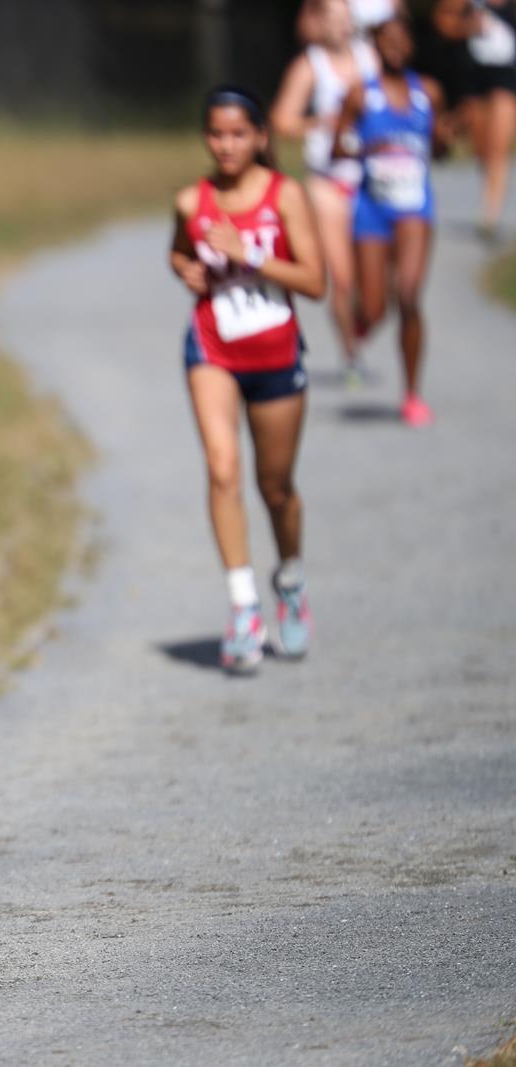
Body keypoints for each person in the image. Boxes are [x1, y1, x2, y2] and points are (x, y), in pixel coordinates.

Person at [169, 87, 327, 674]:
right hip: (212, 348)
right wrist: (185, 269)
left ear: (261, 136)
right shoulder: (193, 200)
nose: (226, 145)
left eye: (238, 134)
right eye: (215, 134)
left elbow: (316, 283)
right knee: (221, 469)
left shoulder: (287, 197)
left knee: (276, 486)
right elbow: (180, 254)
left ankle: (289, 577)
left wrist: (250, 256)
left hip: (276, 353)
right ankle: (243, 608)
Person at [335, 17, 452, 426]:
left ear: (412, 45)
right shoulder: (360, 95)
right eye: (387, 41)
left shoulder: (429, 93)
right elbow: (338, 146)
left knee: (408, 295)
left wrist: (444, 138)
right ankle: (363, 321)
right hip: (371, 207)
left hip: (415, 207)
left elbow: (440, 150)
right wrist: (366, 146)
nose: (396, 47)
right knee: (373, 306)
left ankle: (412, 394)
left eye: (402, 39)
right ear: (376, 47)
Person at [275, 0, 379, 382]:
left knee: (378, 279)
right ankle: (351, 355)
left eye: (344, 19)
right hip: (327, 181)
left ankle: (365, 321)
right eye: (331, 19)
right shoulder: (310, 65)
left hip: (371, 178)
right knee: (343, 277)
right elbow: (282, 120)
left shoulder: (373, 59)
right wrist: (320, 122)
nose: (338, 27)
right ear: (319, 23)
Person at [429, 0, 516, 240]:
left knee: (498, 149)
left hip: (505, 78)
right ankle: (488, 193)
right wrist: (467, 26)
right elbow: (442, 24)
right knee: (482, 149)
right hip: (474, 78)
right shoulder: (467, 5)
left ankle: (490, 215)